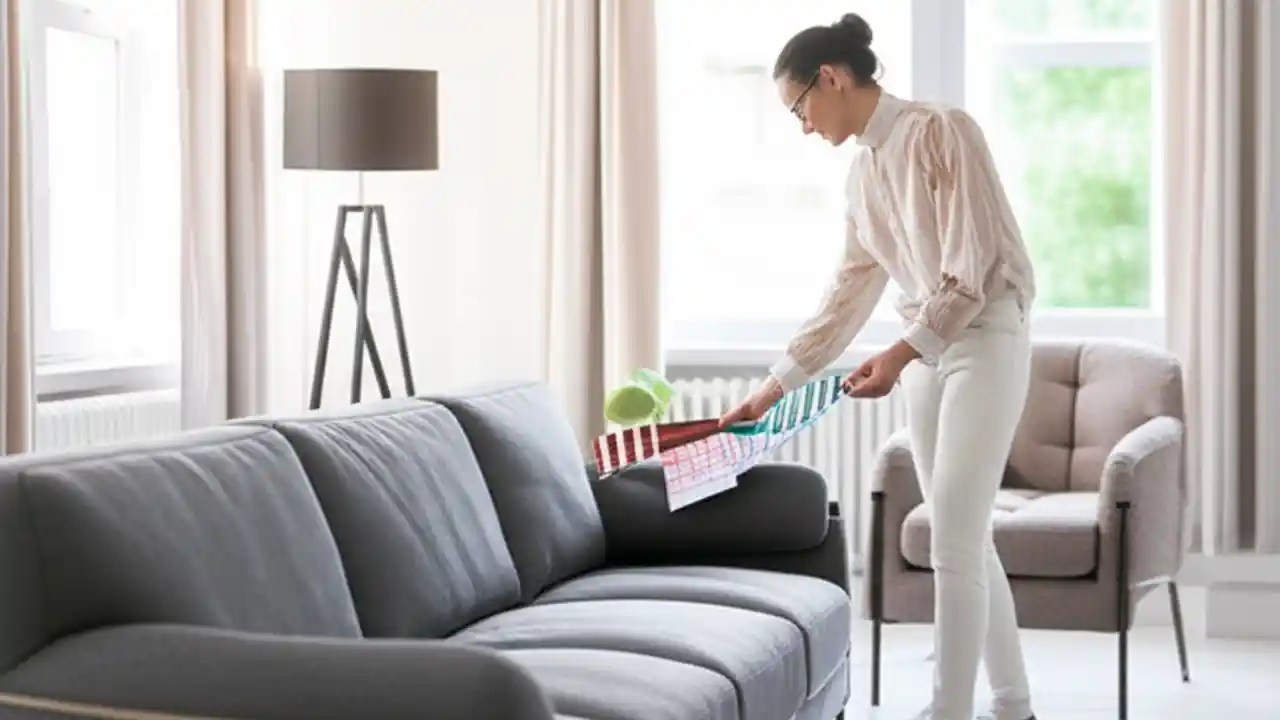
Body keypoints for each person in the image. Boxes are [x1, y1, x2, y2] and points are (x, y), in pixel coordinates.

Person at [717, 12, 1038, 720]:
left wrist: (897, 355)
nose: (802, 127)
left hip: (986, 338)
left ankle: (947, 711)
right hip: (925, 354)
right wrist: (772, 389)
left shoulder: (941, 131)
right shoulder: (862, 178)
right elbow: (847, 295)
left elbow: (973, 270)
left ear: (831, 79)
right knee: (964, 534)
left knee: (953, 536)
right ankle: (1014, 704)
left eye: (799, 108)